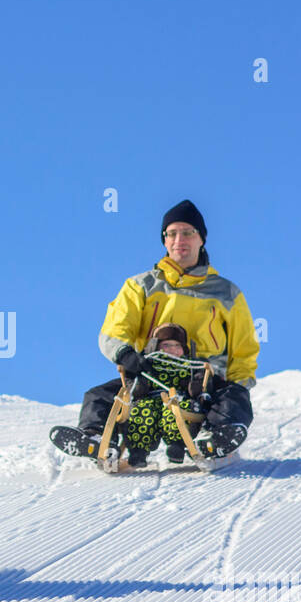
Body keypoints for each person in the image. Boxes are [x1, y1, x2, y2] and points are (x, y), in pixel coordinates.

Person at [53, 199, 259, 461]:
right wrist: (125, 355)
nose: (179, 240)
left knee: (234, 397)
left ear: (201, 239)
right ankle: (95, 438)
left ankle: (215, 436)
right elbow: (114, 330)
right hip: (149, 373)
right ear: (164, 240)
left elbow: (244, 347)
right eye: (171, 234)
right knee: (99, 395)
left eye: (187, 233)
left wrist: (239, 383)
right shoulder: (141, 286)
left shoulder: (226, 292)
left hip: (203, 378)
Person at [123, 323, 211, 467]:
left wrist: (197, 387)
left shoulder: (189, 364)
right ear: (156, 346)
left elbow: (201, 379)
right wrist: (138, 385)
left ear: (184, 349)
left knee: (176, 410)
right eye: (167, 345)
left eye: (177, 346)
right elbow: (131, 379)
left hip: (177, 397)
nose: (173, 350)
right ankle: (138, 451)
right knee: (142, 412)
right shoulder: (149, 363)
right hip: (151, 398)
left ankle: (177, 445)